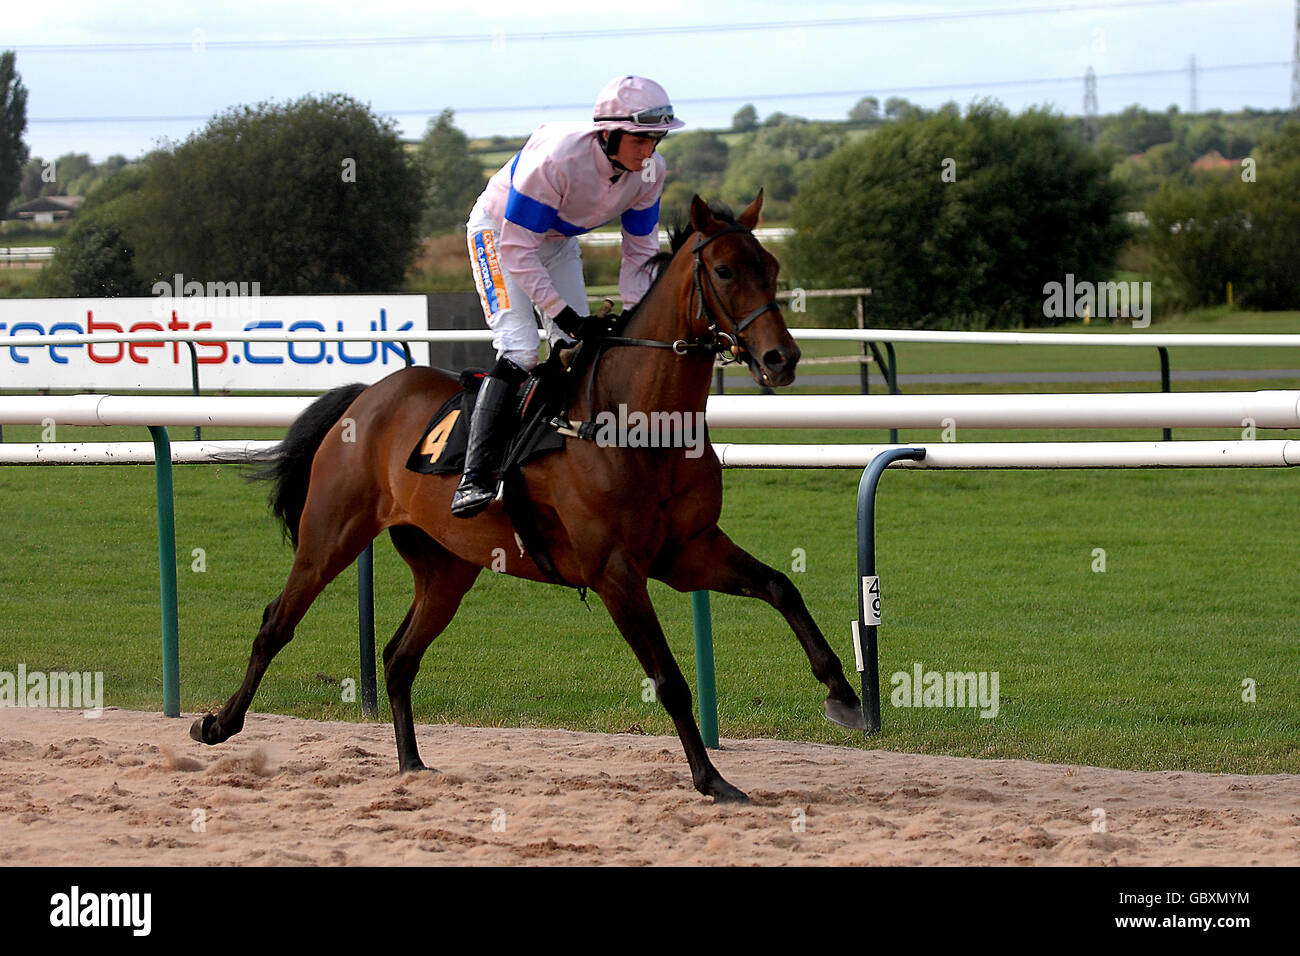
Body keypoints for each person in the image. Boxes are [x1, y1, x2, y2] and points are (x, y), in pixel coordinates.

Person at [452, 75, 684, 518]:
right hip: (500, 234)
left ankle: (558, 459)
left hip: (556, 240)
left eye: (657, 139)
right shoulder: (557, 161)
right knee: (520, 349)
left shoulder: (650, 171)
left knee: (572, 352)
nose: (649, 150)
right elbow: (518, 252)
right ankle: (475, 475)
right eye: (641, 139)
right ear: (609, 133)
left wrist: (634, 313)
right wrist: (569, 315)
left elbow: (640, 249)